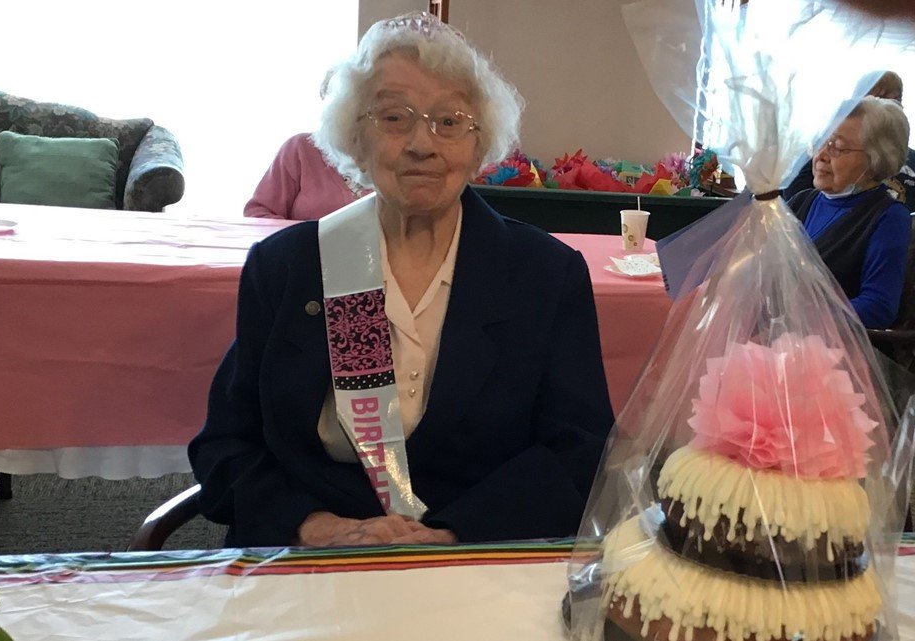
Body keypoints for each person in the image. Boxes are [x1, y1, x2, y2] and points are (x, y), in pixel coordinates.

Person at [189, 12, 615, 548]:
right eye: (394, 118)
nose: (423, 144)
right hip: (313, 559)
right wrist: (319, 528)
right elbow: (227, 446)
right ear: (354, 136)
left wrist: (452, 536)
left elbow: (580, 452)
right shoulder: (289, 267)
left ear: (479, 143)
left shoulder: (545, 275)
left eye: (450, 120)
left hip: (477, 557)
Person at [787, 96, 912, 329]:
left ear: (875, 159)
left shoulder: (889, 217)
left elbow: (879, 307)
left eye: (837, 147)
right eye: (822, 141)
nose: (821, 155)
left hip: (830, 350)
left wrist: (806, 319)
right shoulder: (801, 201)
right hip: (781, 335)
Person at [783, 72, 915, 209]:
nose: (882, 106)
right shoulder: (821, 151)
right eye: (873, 98)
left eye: (894, 100)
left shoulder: (890, 214)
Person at [243, 132, 371, 219]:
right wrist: (305, 238)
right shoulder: (301, 148)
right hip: (301, 254)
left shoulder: (387, 157)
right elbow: (257, 214)